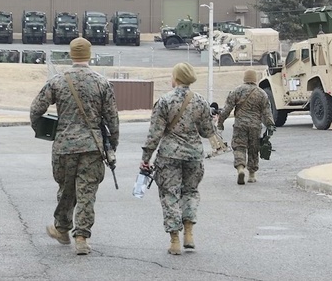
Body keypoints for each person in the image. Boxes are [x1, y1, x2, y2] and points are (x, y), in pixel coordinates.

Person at [30, 37, 119, 256]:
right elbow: (112, 120)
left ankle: (61, 228)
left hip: (64, 146)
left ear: (71, 55)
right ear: (89, 55)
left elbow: (35, 110)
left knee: (66, 189)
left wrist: (44, 131)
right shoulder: (101, 83)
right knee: (87, 192)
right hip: (92, 147)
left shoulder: (58, 81)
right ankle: (81, 237)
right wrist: (112, 145)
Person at [140, 62, 215, 255]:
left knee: (169, 195)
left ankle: (174, 240)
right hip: (193, 155)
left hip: (169, 155)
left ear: (176, 78)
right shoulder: (201, 102)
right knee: (190, 192)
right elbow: (207, 132)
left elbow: (154, 134)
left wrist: (146, 158)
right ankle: (189, 232)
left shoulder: (164, 101)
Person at [217, 69, 275, 185]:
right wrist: (270, 126)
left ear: (245, 78)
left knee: (239, 147)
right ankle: (252, 175)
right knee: (253, 149)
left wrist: (220, 122)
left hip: (240, 125)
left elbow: (227, 109)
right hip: (255, 126)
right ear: (255, 79)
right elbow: (267, 113)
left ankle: (240, 168)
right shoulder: (262, 93)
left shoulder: (237, 91)